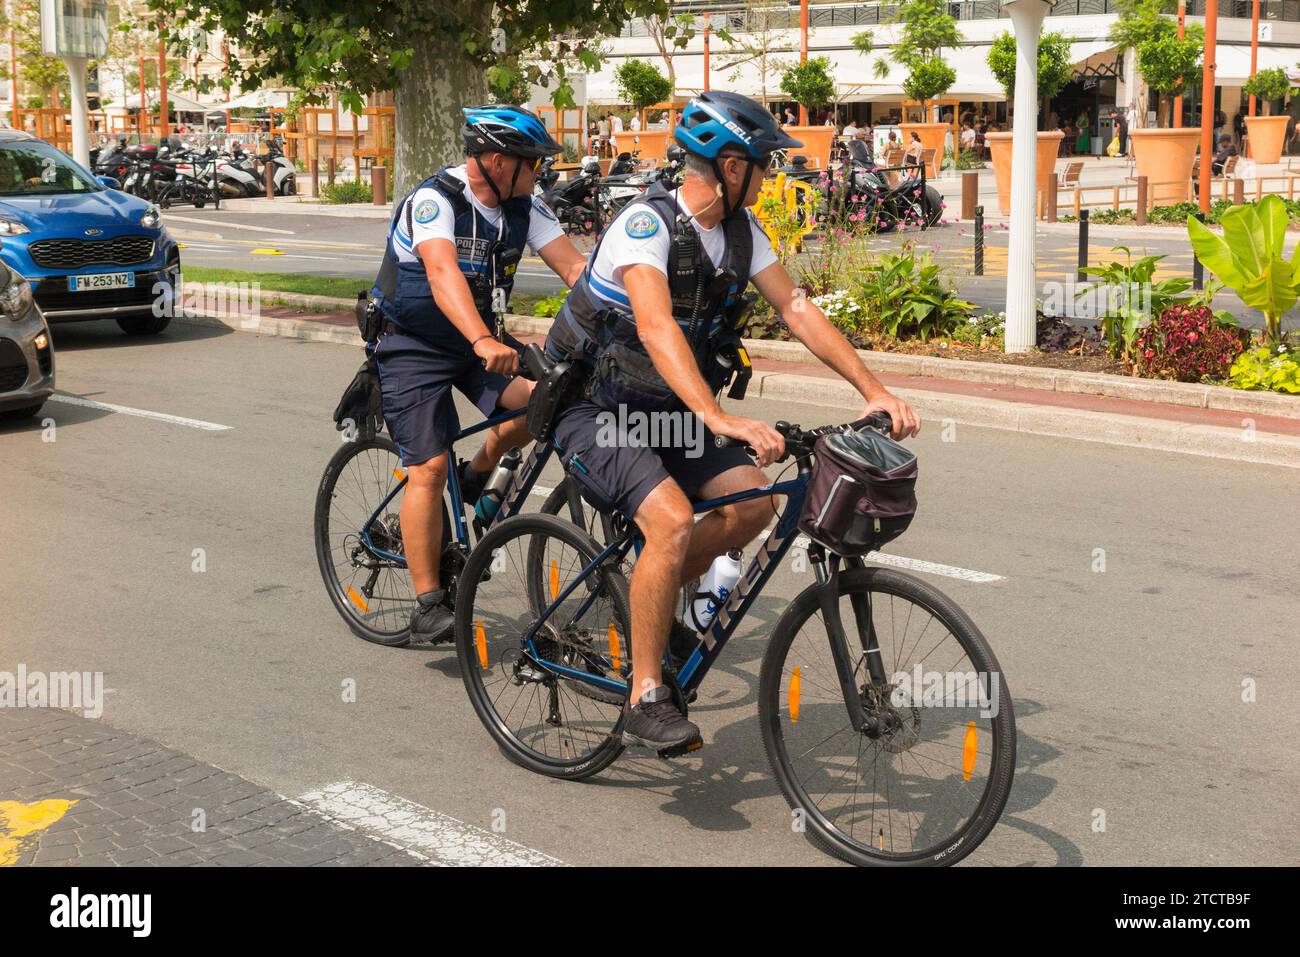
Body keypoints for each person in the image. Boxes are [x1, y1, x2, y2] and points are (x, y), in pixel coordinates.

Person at [542, 91, 920, 753]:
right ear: (725, 165)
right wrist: (719, 416)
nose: (770, 175)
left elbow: (797, 309)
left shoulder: (742, 234)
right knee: (670, 519)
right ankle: (645, 694)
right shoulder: (645, 225)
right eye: (761, 163)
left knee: (753, 506)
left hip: (663, 411)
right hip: (593, 407)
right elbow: (656, 327)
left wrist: (874, 389)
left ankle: (646, 607)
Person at [369, 106, 588, 643]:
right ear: (496, 161)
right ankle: (426, 604)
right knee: (428, 468)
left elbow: (577, 270)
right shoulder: (434, 201)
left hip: (477, 343)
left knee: (546, 402)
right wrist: (483, 339)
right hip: (413, 344)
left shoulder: (524, 207)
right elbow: (443, 275)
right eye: (532, 163)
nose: (541, 173)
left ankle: (480, 471)